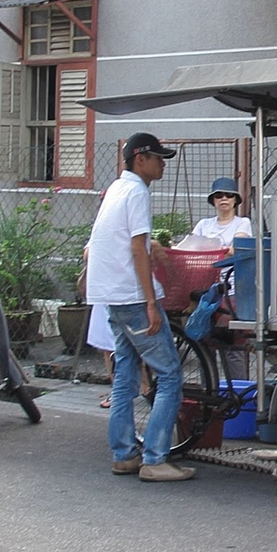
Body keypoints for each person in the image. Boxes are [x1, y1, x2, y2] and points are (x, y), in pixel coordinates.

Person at [86, 132, 194, 482]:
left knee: (126, 374)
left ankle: (124, 454)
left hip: (110, 296)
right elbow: (136, 249)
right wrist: (151, 301)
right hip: (131, 296)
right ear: (140, 159)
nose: (163, 163)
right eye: (158, 157)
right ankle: (155, 458)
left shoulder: (116, 189)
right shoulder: (136, 192)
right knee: (170, 374)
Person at [192, 177, 252, 383]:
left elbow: (237, 247)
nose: (224, 199)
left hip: (232, 290)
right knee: (203, 344)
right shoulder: (203, 224)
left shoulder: (243, 222)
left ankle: (240, 391)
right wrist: (221, 251)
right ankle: (210, 393)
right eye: (219, 195)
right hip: (206, 291)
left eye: (229, 195)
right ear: (213, 201)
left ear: (235, 200)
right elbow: (191, 249)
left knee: (232, 346)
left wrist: (209, 250)